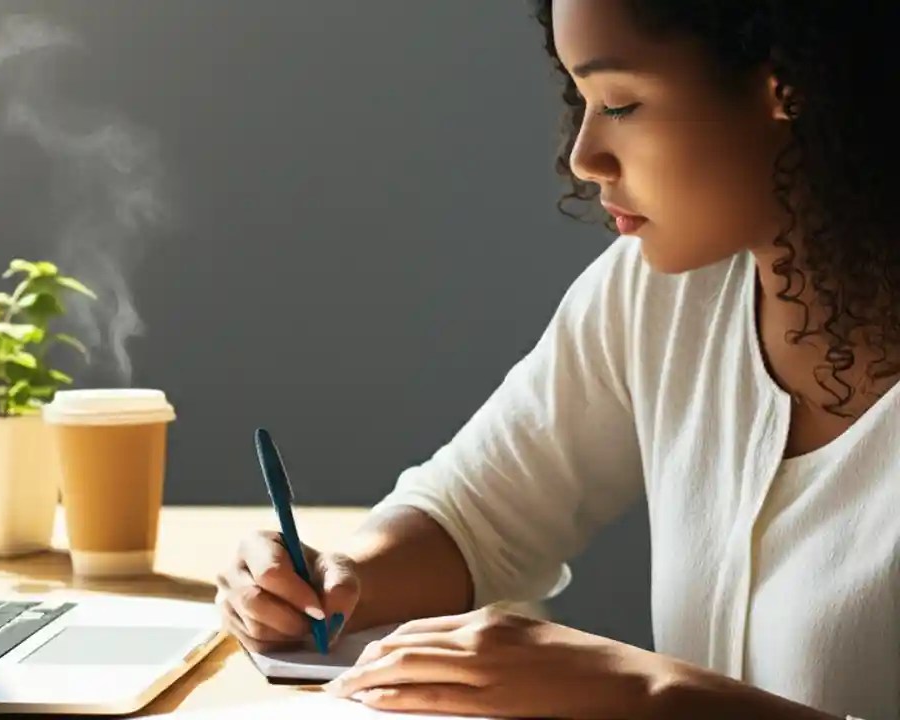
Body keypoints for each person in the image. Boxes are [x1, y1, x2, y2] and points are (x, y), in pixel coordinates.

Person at [214, 1, 898, 718]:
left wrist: (643, 692)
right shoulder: (663, 291)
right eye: (582, 99)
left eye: (621, 103)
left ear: (790, 85)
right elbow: (475, 517)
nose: (583, 154)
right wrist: (338, 577)